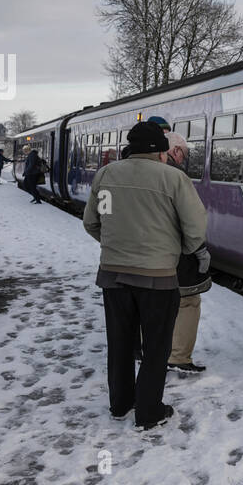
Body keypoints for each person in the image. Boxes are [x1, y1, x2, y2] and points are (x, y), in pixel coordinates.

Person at [83, 122, 208, 431]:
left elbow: (91, 222)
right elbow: (195, 228)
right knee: (156, 346)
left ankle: (120, 404)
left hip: (113, 276)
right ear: (161, 151)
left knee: (121, 342)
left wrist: (116, 247)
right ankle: (149, 411)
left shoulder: (106, 175)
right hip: (159, 277)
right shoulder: (174, 178)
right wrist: (177, 251)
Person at [164, 131, 209, 373]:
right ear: (177, 151)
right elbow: (191, 220)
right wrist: (200, 249)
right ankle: (179, 357)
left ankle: (150, 350)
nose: (184, 159)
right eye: (185, 154)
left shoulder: (138, 171)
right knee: (188, 302)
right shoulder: (177, 176)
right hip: (177, 253)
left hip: (148, 255)